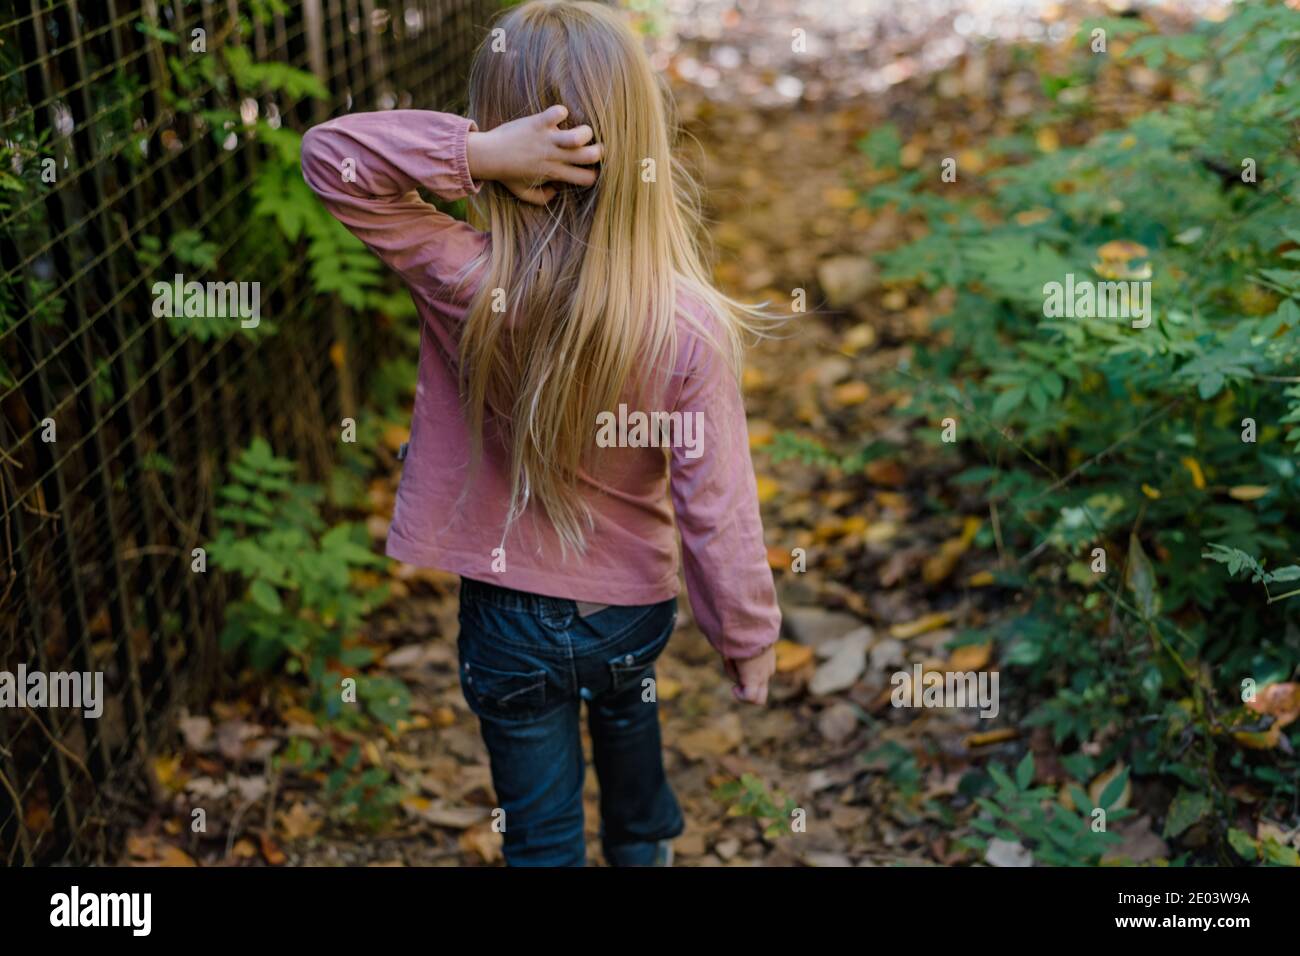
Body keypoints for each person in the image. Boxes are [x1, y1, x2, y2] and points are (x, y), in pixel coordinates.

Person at [301, 0, 780, 866]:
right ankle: (643, 841)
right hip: (629, 614)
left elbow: (330, 158)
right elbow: (718, 509)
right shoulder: (686, 327)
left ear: (507, 127)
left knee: (541, 833)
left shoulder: (463, 278)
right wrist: (746, 638)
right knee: (632, 741)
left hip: (505, 621)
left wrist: (473, 156)